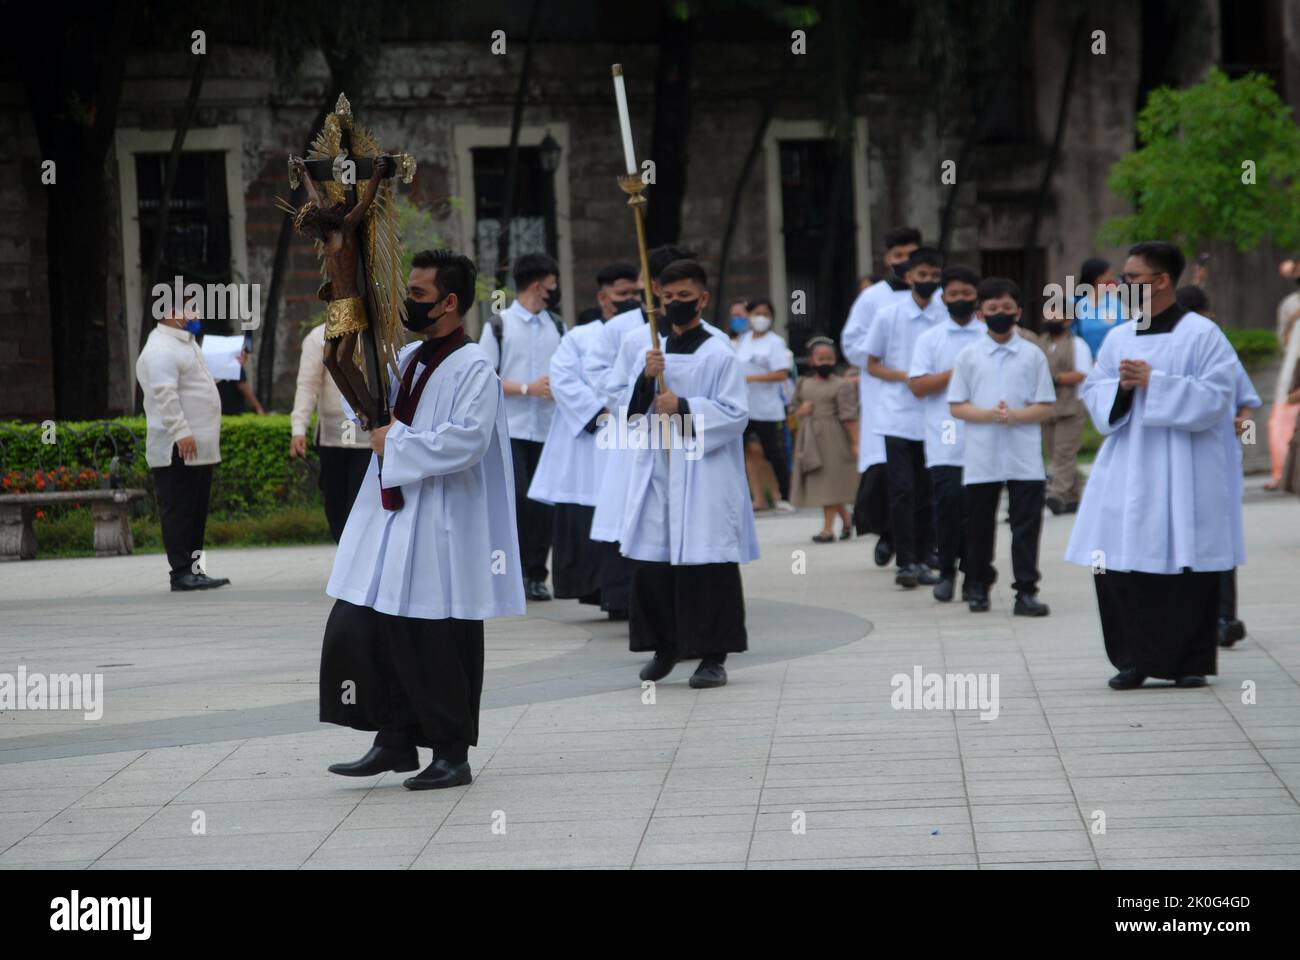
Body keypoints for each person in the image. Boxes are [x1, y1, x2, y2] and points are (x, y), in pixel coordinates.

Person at [321, 249, 523, 790]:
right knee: (370, 626)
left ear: (450, 302)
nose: (408, 303)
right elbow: (367, 405)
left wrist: (399, 443)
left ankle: (452, 754)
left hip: (442, 523)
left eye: (418, 295)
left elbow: (468, 441)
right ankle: (394, 739)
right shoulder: (409, 356)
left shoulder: (475, 366)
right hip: (396, 518)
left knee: (437, 638)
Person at [1065, 242, 1243, 690]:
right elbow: (1094, 389)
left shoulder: (1201, 335)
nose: (1123, 286)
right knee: (1118, 560)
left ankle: (1187, 662)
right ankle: (1132, 660)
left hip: (1186, 465)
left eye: (1132, 278)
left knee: (1187, 561)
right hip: (1128, 464)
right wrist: (1122, 390)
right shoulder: (1119, 337)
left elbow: (1220, 397)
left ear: (1162, 281)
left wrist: (1155, 383)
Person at [614, 258, 757, 688]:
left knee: (707, 561)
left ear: (703, 299)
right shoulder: (654, 349)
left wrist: (686, 406)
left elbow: (735, 415)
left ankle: (713, 655)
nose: (675, 304)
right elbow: (631, 412)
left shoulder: (719, 351)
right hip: (660, 464)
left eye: (684, 297)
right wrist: (645, 379)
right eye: (668, 297)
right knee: (654, 563)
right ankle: (665, 645)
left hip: (703, 469)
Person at [528, 262, 639, 619]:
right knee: (588, 512)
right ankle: (598, 591)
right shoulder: (580, 336)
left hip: (631, 431)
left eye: (636, 294)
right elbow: (561, 376)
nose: (631, 300)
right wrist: (596, 414)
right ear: (604, 297)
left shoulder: (644, 333)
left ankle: (625, 594)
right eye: (623, 294)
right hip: (589, 436)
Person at [948, 278, 1056, 616]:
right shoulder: (968, 356)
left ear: (1018, 312)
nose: (1000, 315)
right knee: (979, 525)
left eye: (1006, 309)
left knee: (1026, 525)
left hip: (1024, 455)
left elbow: (1046, 405)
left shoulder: (1032, 355)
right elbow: (956, 405)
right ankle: (977, 586)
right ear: (981, 314)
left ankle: (1026, 591)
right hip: (982, 453)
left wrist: (1016, 416)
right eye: (992, 309)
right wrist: (989, 415)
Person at [1176, 284, 1262, 649]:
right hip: (1179, 459)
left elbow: (1247, 404)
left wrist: (1244, 437)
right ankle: (1191, 616)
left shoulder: (1221, 350)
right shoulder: (1169, 351)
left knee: (1221, 535)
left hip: (1221, 460)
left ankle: (1225, 616)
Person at [481, 252, 564, 602]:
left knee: (543, 505)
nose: (554, 291)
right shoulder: (499, 325)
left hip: (547, 429)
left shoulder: (558, 327)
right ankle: (507, 571)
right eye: (552, 285)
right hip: (510, 428)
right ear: (538, 285)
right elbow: (484, 379)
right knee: (515, 500)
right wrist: (528, 388)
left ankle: (535, 575)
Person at [864, 246, 947, 587]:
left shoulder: (945, 315)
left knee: (930, 488)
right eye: (922, 275)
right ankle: (905, 561)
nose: (927, 281)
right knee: (901, 490)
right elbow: (871, 364)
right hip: (897, 414)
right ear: (908, 276)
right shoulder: (889, 315)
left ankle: (928, 554)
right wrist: (907, 377)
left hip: (936, 413)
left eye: (933, 276)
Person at [134, 304, 230, 592]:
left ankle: (195, 571)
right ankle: (180, 573)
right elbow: (165, 394)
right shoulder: (160, 348)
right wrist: (181, 432)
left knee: (196, 510)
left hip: (196, 446)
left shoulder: (183, 344)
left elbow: (195, 384)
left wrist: (228, 365)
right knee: (179, 510)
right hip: (177, 446)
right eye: (190, 310)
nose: (197, 315)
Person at [842, 227, 922, 567]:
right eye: (898, 256)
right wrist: (885, 361)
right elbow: (851, 343)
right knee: (888, 472)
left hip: (926, 395)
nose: (905, 262)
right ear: (888, 259)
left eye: (911, 255)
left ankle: (924, 542)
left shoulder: (934, 297)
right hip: (885, 392)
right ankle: (888, 533)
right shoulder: (873, 298)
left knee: (923, 474)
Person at [906, 265, 985, 602]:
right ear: (944, 297)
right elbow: (918, 385)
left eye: (967, 294)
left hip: (984, 432)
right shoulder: (931, 338)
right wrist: (956, 374)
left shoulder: (988, 336)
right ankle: (947, 571)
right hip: (947, 431)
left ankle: (974, 574)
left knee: (978, 507)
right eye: (954, 294)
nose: (960, 300)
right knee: (949, 502)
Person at [290, 321, 374, 542]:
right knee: (336, 505)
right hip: (332, 437)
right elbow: (307, 386)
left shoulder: (376, 332)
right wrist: (299, 428)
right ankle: (344, 559)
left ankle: (362, 562)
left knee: (364, 504)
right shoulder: (318, 337)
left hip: (370, 438)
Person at [791, 336, 859, 541]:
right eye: (821, 359)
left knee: (830, 483)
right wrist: (801, 412)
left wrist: (856, 442)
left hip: (834, 437)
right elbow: (792, 411)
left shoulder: (842, 385)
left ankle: (827, 530)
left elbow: (849, 415)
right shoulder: (803, 383)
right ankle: (846, 521)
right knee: (823, 484)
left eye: (830, 359)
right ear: (811, 360)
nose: (825, 363)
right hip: (810, 437)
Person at [736, 297, 795, 512]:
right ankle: (755, 497)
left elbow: (782, 373)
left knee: (774, 453)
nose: (761, 318)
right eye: (757, 313)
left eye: (766, 314)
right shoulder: (743, 341)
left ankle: (784, 496)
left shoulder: (775, 342)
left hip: (768, 409)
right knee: (744, 453)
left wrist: (753, 379)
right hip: (744, 407)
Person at [1036, 300, 1093, 514]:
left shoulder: (1077, 345)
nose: (1051, 319)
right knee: (1054, 452)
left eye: (1056, 315)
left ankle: (1055, 494)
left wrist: (1055, 379)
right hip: (1047, 408)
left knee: (1064, 453)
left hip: (1071, 407)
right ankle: (1072, 499)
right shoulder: (1040, 343)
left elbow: (1082, 373)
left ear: (1068, 319)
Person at [1265, 259, 1300, 489]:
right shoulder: (1290, 304)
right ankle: (1280, 471)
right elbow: (1283, 338)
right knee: (1282, 421)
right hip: (1294, 366)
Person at [1072, 256, 1126, 360]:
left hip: (1111, 363)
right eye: (1109, 274)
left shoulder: (1115, 304)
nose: (1112, 279)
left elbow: (1122, 334)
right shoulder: (1075, 303)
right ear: (1098, 277)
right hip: (1082, 365)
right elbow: (1069, 336)